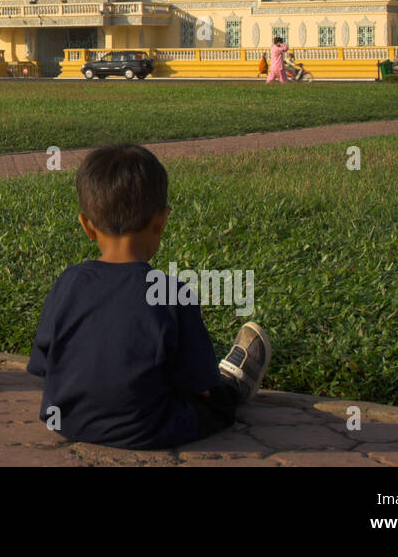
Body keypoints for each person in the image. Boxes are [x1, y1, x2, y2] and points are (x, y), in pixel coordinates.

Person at [28, 143, 272, 449]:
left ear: (87, 226)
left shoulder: (67, 282)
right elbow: (201, 387)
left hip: (66, 421)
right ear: (161, 220)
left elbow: (43, 365)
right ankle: (235, 383)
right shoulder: (172, 293)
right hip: (146, 428)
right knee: (218, 402)